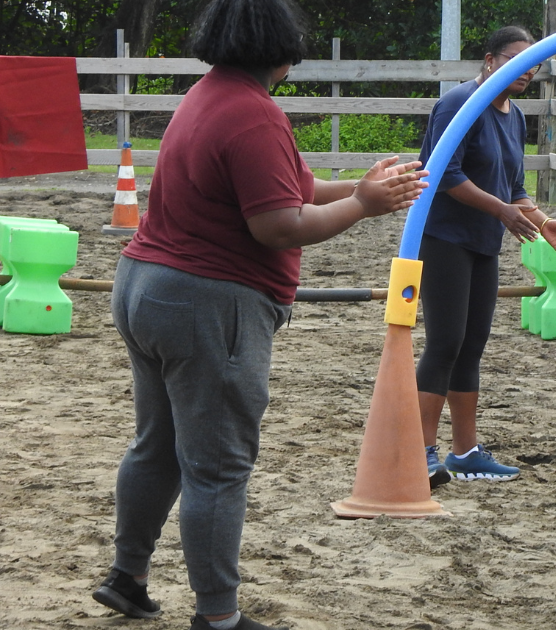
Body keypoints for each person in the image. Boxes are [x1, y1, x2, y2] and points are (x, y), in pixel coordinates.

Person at [91, 0, 428, 628]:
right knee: (218, 468)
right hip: (205, 303)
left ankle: (127, 576)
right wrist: (363, 205)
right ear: (284, 51)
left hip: (146, 287)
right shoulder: (253, 115)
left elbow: (291, 187)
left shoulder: (208, 96)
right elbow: (277, 225)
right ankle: (218, 616)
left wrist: (362, 187)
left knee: (156, 446)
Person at [416, 26, 556, 485]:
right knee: (444, 342)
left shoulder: (515, 115)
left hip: (485, 242)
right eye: (515, 59)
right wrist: (502, 211)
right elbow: (444, 175)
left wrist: (543, 222)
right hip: (444, 238)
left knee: (472, 345)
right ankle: (421, 450)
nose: (526, 70)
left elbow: (516, 188)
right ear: (489, 59)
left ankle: (464, 452)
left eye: (533, 63)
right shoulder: (458, 106)